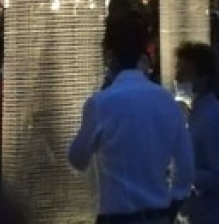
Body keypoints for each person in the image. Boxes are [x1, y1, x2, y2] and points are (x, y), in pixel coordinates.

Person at [68, 17, 193, 223]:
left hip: (116, 216)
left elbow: (77, 160)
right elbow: (186, 165)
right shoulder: (168, 101)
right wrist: (175, 202)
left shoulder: (100, 104)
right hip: (158, 214)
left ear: (109, 57)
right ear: (143, 54)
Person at [175, 42, 219, 224]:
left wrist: (182, 175)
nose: (177, 78)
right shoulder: (196, 113)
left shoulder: (214, 118)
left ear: (203, 78)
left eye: (184, 73)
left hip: (215, 215)